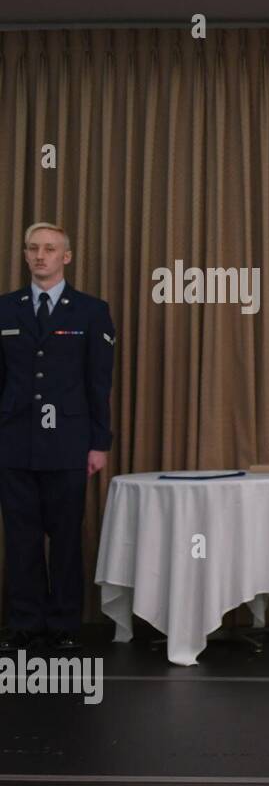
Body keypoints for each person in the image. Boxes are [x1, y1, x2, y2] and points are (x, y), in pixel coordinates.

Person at [0, 223, 115, 653]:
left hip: (68, 441)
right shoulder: (5, 309)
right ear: (26, 255)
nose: (40, 256)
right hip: (14, 441)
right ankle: (26, 624)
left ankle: (65, 623)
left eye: (49, 249)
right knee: (21, 538)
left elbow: (98, 383)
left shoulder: (90, 311)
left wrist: (99, 442)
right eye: (32, 249)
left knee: (66, 538)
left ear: (66, 257)